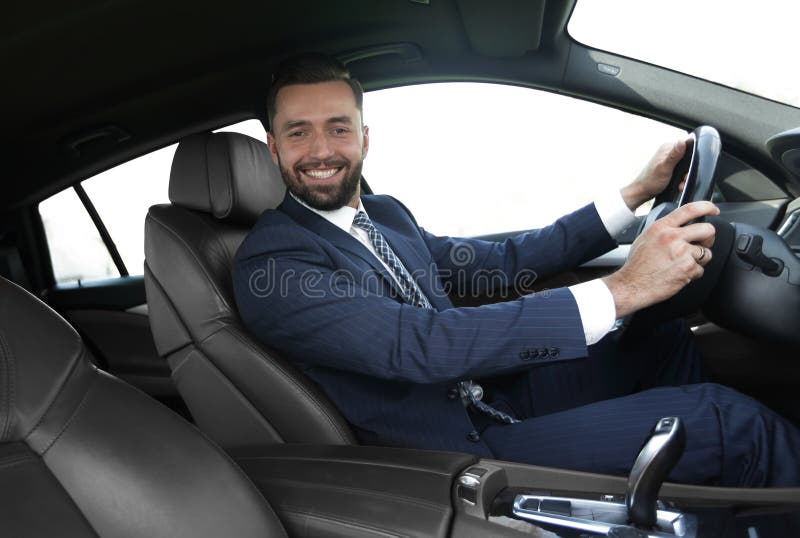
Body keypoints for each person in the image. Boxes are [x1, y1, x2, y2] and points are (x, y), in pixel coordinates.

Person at [233, 53, 800, 487]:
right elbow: (418, 345)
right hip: (451, 450)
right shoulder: (276, 262)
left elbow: (503, 262)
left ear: (363, 137)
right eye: (297, 131)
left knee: (657, 337)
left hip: (491, 396)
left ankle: (685, 494)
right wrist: (624, 288)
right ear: (273, 148)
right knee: (729, 422)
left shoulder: (382, 215)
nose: (321, 149)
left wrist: (634, 194)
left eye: (337, 127)